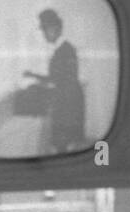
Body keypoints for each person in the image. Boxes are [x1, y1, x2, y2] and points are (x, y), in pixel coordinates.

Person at [23, 9, 86, 154]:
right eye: (43, 30)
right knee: (63, 143)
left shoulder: (65, 50)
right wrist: (33, 75)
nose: (44, 35)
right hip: (67, 99)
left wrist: (37, 82)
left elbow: (59, 80)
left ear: (55, 28)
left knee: (64, 144)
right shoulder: (61, 49)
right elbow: (57, 77)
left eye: (45, 30)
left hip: (69, 102)